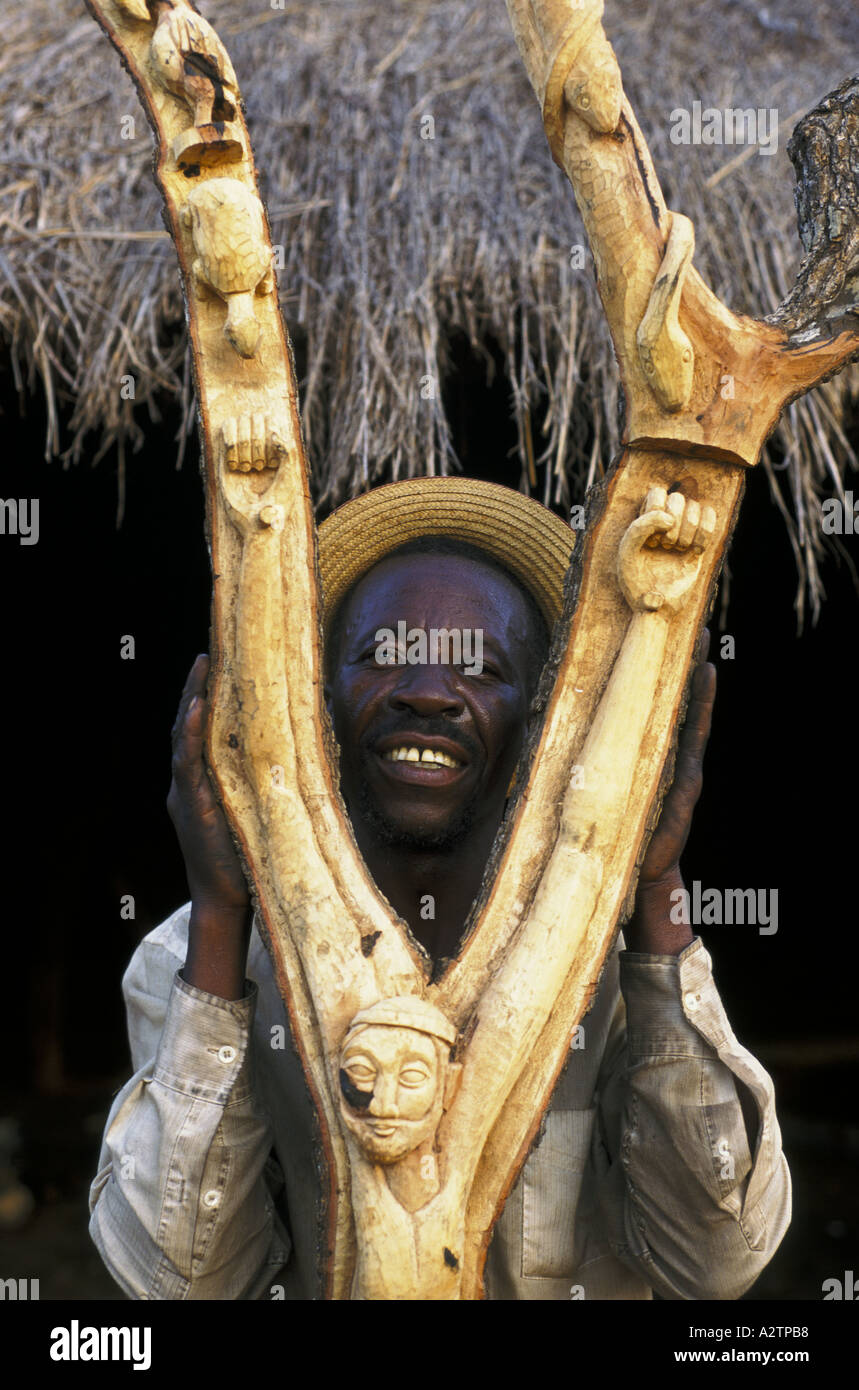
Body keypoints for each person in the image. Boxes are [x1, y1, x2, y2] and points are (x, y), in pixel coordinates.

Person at [89, 477, 790, 1300]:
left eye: (482, 669)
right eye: (383, 655)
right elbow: (182, 1284)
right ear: (311, 704)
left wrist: (655, 884)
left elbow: (715, 1267)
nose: (428, 693)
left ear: (544, 724)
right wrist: (221, 910)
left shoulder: (619, 975)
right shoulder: (192, 961)